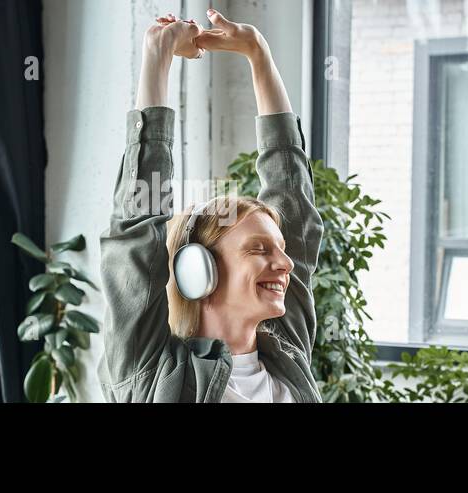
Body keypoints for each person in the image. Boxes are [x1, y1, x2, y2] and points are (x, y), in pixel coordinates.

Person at [98, 9, 323, 403]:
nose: (286, 264)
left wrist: (259, 56)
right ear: (196, 270)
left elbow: (294, 204)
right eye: (259, 249)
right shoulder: (152, 371)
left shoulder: (287, 352)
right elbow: (134, 231)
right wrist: (157, 56)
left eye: (280, 250)